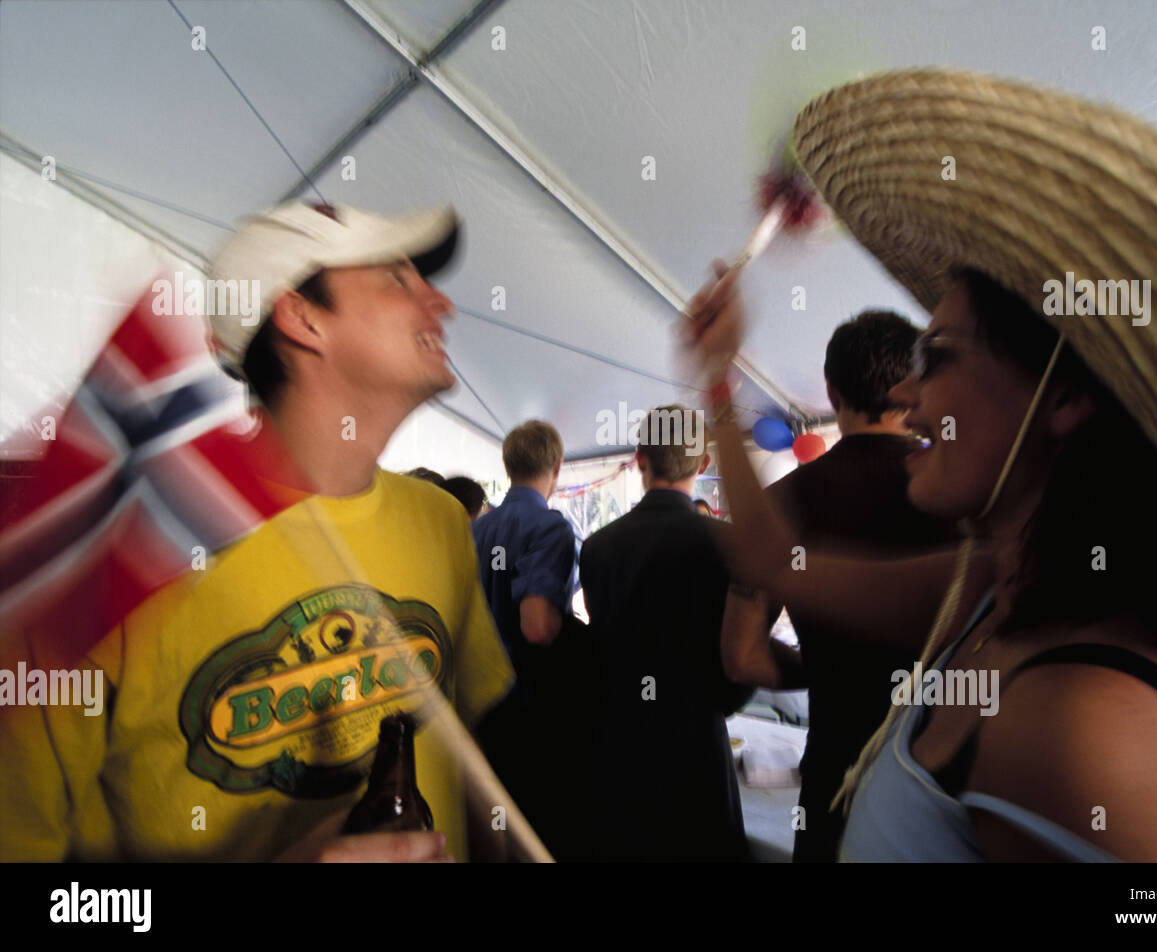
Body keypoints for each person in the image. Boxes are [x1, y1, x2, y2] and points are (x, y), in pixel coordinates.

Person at [684, 69, 1157, 861]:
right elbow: (769, 556)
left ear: (1065, 395)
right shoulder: (982, 589)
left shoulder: (1090, 721)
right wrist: (717, 375)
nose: (907, 389)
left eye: (934, 355)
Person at [0, 201, 515, 863]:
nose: (439, 303)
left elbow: (469, 756)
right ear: (301, 318)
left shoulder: (439, 520)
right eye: (397, 278)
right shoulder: (117, 549)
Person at [721, 310, 957, 861]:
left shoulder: (786, 503)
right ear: (911, 384)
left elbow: (740, 657)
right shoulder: (958, 492)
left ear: (830, 390)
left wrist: (821, 670)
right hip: (944, 782)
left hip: (837, 772)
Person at [581, 405, 753, 861]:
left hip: (619, 753)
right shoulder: (727, 544)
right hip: (698, 754)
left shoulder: (598, 548)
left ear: (639, 458)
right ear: (703, 464)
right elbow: (739, 667)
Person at [470, 420, 587, 857]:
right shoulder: (549, 527)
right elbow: (538, 627)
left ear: (508, 465)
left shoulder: (476, 529)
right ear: (556, 467)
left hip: (481, 707)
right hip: (533, 712)